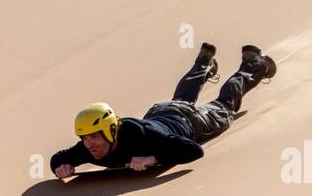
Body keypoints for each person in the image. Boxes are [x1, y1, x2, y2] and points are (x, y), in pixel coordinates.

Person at [50, 44, 277, 178]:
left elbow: (193, 151)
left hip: (190, 122)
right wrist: (62, 167)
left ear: (109, 130)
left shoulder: (145, 136)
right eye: (85, 138)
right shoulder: (88, 149)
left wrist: (152, 158)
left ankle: (253, 65)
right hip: (160, 111)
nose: (89, 144)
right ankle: (202, 64)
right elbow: (57, 158)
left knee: (225, 107)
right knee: (180, 100)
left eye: (94, 136)